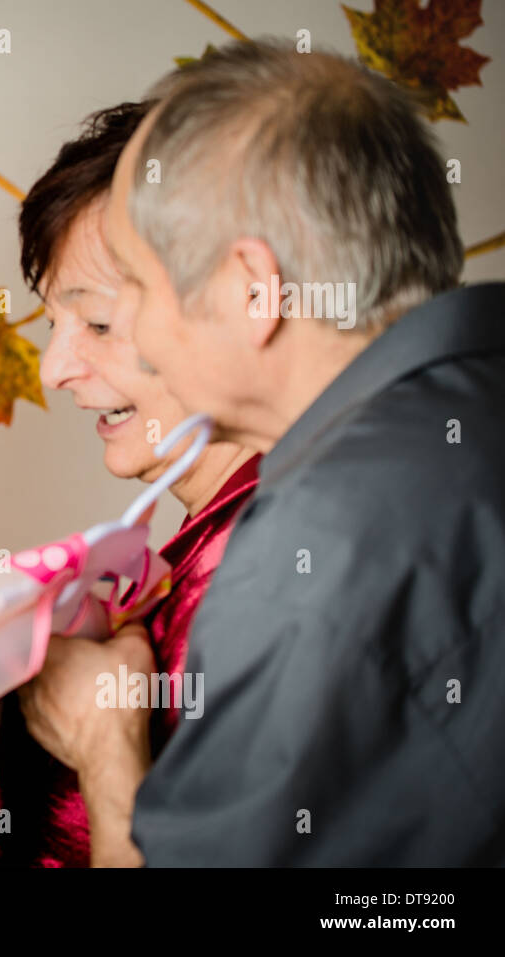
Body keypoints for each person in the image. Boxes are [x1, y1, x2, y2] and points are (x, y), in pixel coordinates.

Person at [26, 39, 505, 865]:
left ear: (255, 290)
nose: (125, 337)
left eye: (133, 290)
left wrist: (104, 743)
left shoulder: (311, 546)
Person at [0, 103, 260, 867]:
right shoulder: (199, 550)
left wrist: (105, 742)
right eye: (55, 325)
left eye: (95, 324)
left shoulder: (271, 574)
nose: (55, 368)